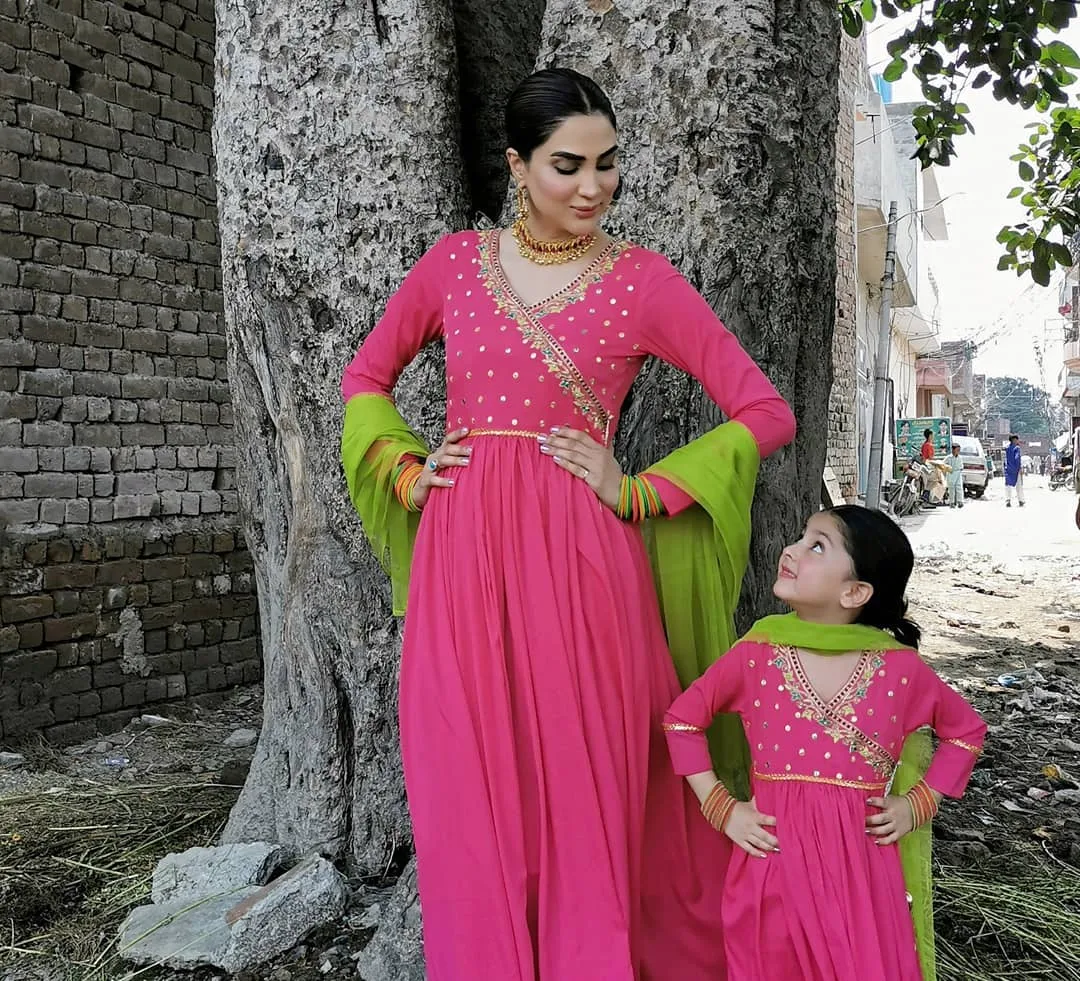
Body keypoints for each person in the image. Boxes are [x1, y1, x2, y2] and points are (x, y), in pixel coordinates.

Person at [340, 68, 796, 980]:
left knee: (586, 788)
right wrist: (404, 467)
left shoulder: (641, 282)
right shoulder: (453, 268)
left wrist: (643, 491)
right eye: (567, 165)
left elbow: (763, 411)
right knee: (470, 789)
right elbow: (364, 381)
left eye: (608, 164)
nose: (593, 186)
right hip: (462, 562)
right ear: (517, 166)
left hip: (585, 565)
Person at [664, 506, 986, 981]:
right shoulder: (756, 654)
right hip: (771, 868)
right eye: (800, 537)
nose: (791, 551)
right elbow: (682, 721)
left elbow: (966, 732)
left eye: (817, 545)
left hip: (862, 878)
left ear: (855, 592)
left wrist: (918, 804)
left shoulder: (900, 670)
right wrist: (722, 808)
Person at [1005, 434, 1024, 507]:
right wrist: (1019, 468)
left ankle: (1008, 500)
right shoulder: (1017, 448)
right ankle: (1021, 500)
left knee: (1008, 485)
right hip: (1016, 469)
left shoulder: (1007, 448)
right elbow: (1017, 458)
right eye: (1017, 440)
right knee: (1018, 485)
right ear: (1014, 440)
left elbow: (1005, 459)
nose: (1018, 441)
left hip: (1008, 469)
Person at [943, 443, 964, 508]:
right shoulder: (948, 458)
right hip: (951, 474)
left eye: (959, 450)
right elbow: (943, 465)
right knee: (951, 488)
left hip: (958, 473)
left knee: (959, 487)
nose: (958, 451)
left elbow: (961, 466)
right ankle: (951, 502)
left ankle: (960, 501)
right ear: (953, 450)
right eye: (957, 450)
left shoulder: (960, 458)